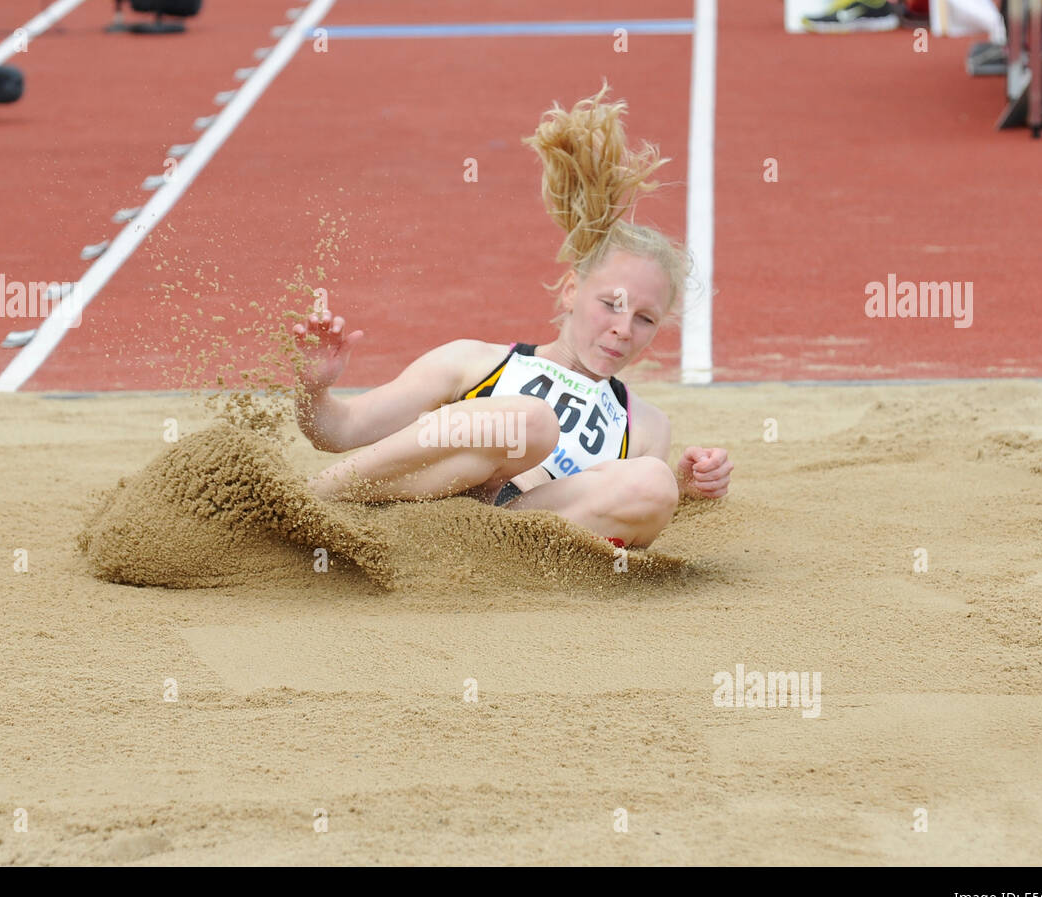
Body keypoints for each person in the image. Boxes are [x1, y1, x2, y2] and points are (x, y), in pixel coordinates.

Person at [291, 83, 733, 550]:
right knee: (530, 421)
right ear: (570, 292)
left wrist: (687, 490)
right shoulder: (472, 362)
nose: (623, 329)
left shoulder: (643, 424)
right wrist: (315, 387)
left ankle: (483, 553)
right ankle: (312, 501)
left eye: (645, 319)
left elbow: (628, 507)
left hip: (508, 540)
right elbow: (336, 432)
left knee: (652, 481)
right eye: (611, 305)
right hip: (415, 513)